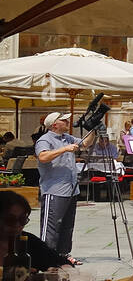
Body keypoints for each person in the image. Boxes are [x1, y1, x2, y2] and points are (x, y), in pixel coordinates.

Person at [35, 112, 95, 265]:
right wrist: (64, 149)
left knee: (67, 225)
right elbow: (42, 157)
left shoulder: (67, 138)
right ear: (54, 124)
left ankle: (63, 254)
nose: (68, 122)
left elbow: (85, 143)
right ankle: (46, 257)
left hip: (71, 189)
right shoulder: (45, 139)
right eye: (64, 120)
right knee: (51, 227)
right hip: (54, 189)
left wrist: (93, 129)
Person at [0, 189, 75, 271]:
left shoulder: (28, 242)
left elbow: (61, 262)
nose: (17, 225)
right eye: (10, 220)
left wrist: (61, 270)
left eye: (22, 219)